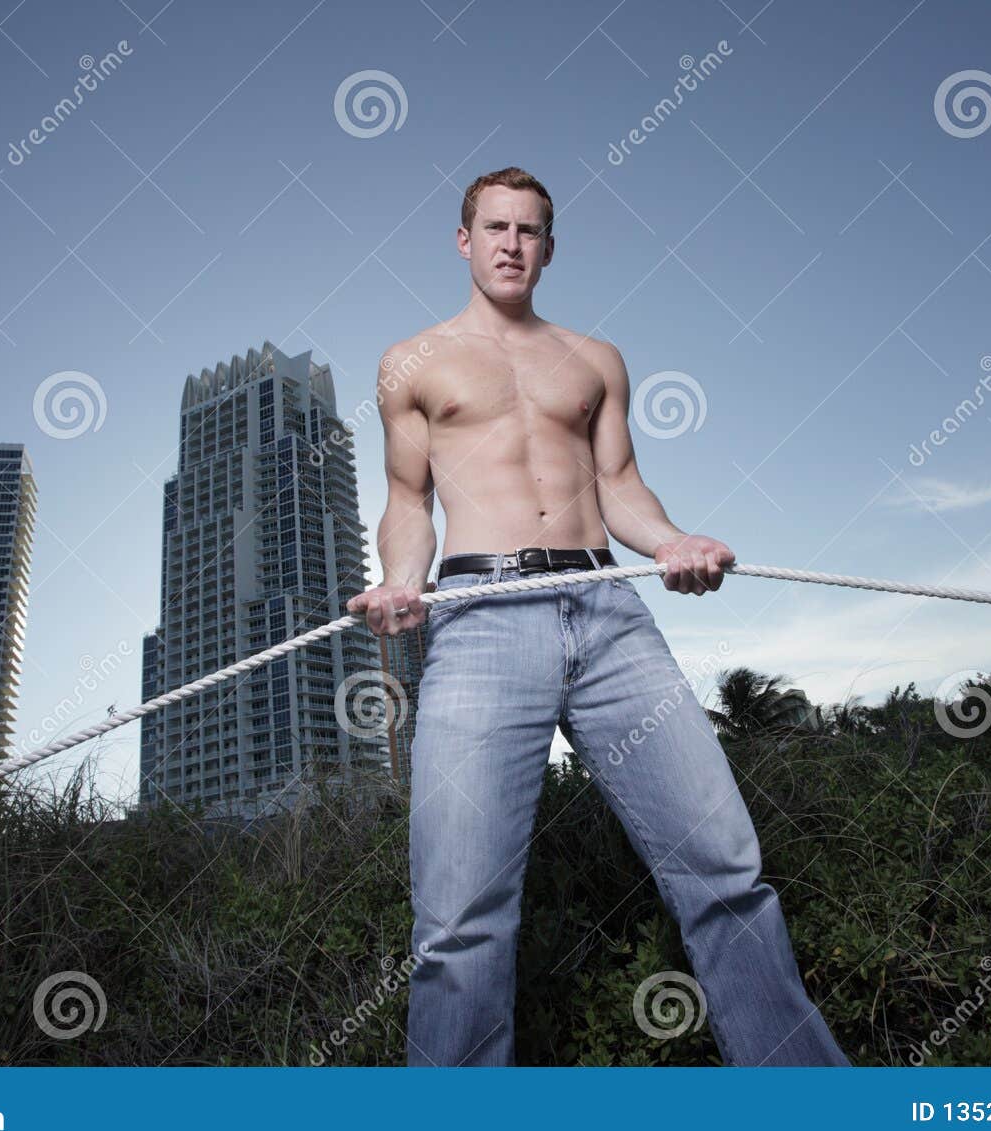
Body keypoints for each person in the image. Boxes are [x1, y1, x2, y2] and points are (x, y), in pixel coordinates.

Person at [345, 166, 848, 1068]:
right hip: (481, 618)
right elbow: (408, 498)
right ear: (464, 241)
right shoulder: (411, 363)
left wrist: (670, 543)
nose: (510, 243)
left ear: (548, 246)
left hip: (608, 611)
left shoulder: (595, 358)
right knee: (459, 919)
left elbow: (619, 487)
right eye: (494, 227)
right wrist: (399, 580)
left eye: (529, 230)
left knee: (726, 871)